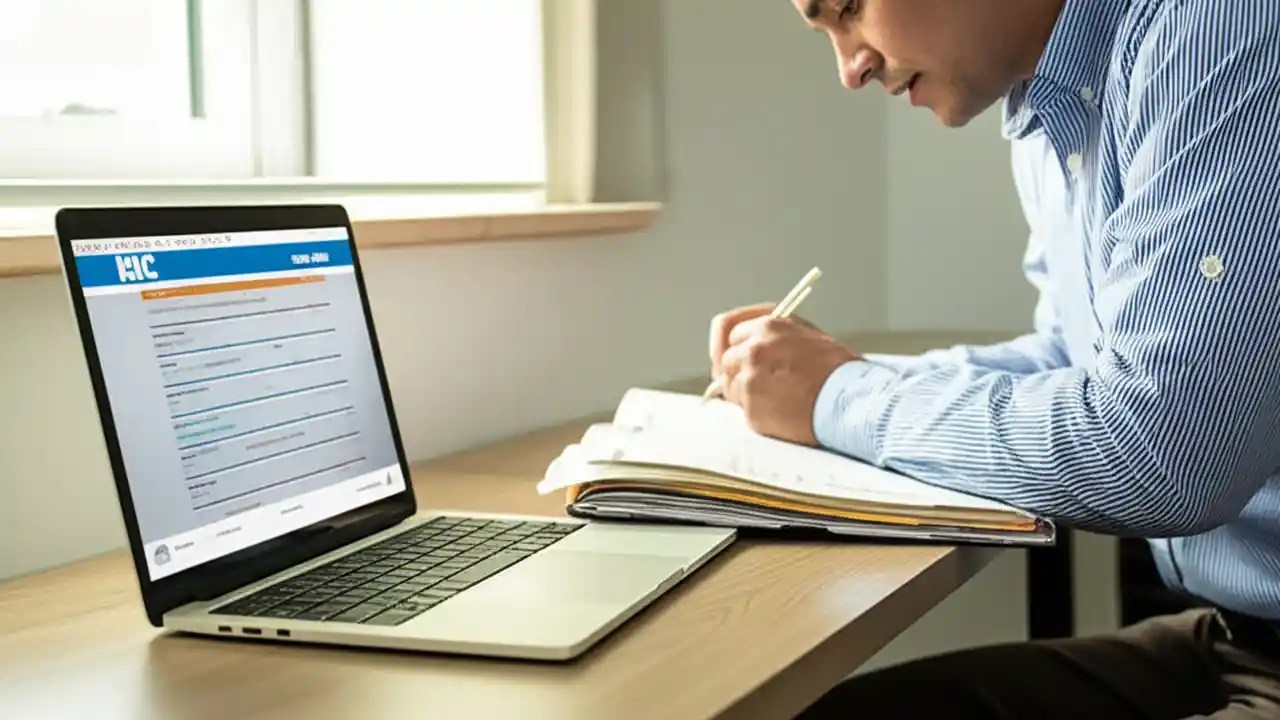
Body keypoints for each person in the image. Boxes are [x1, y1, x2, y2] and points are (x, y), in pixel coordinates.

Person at [707, 0, 1280, 717]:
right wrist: (830, 378)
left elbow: (1164, 452)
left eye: (849, 9)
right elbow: (1074, 360)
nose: (849, 67)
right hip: (1237, 637)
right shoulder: (1051, 108)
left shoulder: (1221, 31)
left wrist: (838, 398)